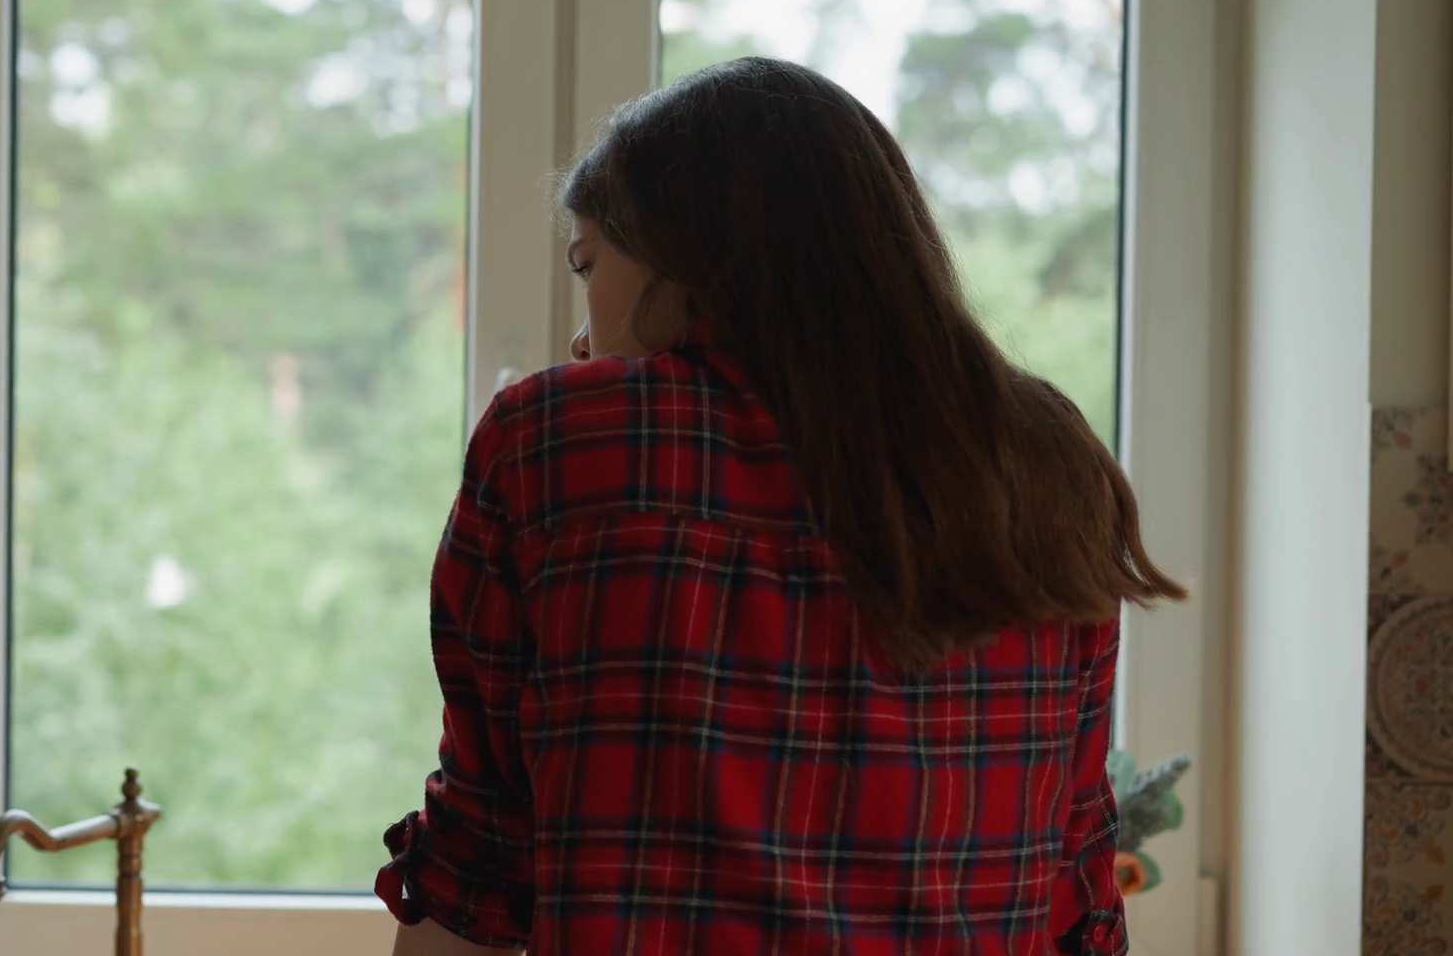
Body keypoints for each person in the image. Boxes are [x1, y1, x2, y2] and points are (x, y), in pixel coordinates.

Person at [378, 56, 1185, 955]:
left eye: (588, 263)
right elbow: (1078, 880)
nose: (579, 331)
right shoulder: (1042, 464)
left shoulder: (564, 441)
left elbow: (480, 860)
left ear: (687, 259)